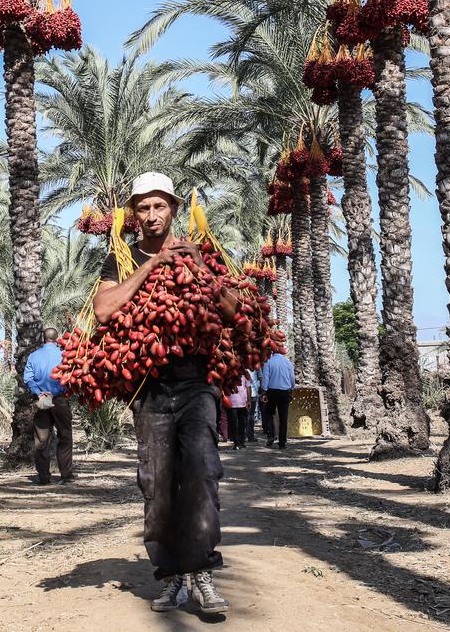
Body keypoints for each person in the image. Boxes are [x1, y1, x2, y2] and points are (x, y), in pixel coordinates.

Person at [93, 171, 236, 615]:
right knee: (156, 484)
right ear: (132, 215)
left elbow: (232, 311)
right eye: (143, 208)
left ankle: (202, 572)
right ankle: (172, 576)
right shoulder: (120, 257)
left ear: (174, 208)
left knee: (202, 473)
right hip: (148, 388)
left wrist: (196, 267)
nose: (152, 215)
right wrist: (152, 266)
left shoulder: (203, 251)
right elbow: (103, 310)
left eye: (160, 206)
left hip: (197, 383)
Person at [23, 327, 73, 485]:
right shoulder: (64, 354)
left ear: (43, 339)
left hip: (41, 401)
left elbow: (28, 379)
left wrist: (39, 393)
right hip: (60, 399)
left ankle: (44, 477)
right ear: (57, 339)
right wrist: (57, 391)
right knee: (65, 436)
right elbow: (69, 377)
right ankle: (66, 475)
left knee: (42, 439)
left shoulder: (33, 356)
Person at [259, 351, 295, 449]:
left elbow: (265, 378)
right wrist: (291, 388)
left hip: (272, 391)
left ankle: (271, 436)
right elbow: (292, 377)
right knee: (283, 417)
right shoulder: (287, 362)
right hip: (284, 392)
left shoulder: (269, 362)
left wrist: (264, 391)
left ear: (272, 352)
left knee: (269, 414)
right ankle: (282, 442)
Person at [226, 373, 251, 450]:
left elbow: (248, 387)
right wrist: (249, 400)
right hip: (234, 402)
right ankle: (239, 442)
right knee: (240, 423)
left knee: (237, 424)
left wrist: (249, 400)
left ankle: (239, 442)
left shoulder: (244, 373)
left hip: (238, 402)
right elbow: (248, 387)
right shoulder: (232, 373)